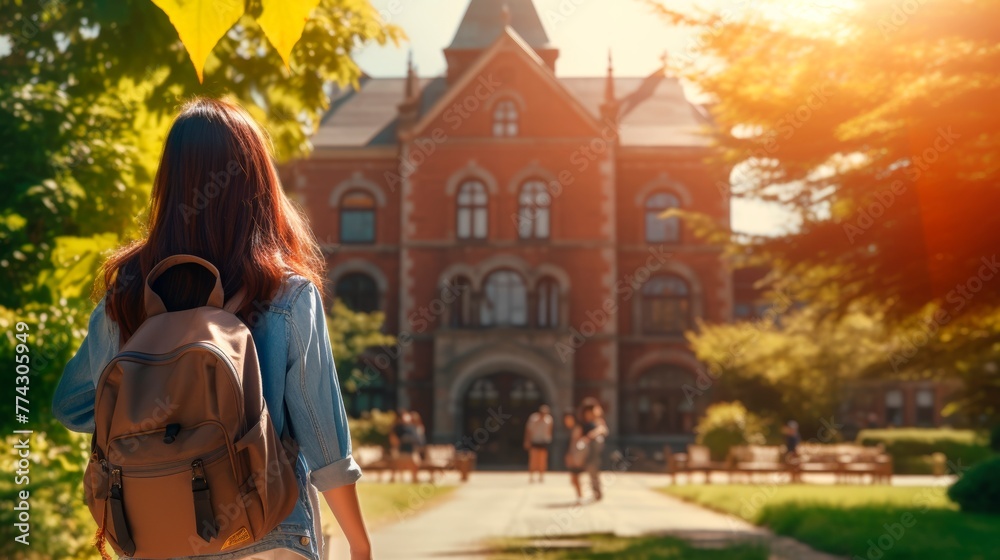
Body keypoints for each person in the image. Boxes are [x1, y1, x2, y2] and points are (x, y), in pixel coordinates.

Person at [51, 99, 372, 560]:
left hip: (151, 536)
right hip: (265, 533)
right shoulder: (285, 293)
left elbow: (71, 407)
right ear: (258, 182)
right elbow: (324, 442)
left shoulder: (126, 294)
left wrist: (160, 425)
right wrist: (360, 545)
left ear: (170, 182)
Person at [578, 398, 608, 502]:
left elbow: (603, 429)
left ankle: (597, 490)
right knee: (590, 471)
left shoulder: (598, 421)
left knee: (593, 471)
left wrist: (592, 435)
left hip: (595, 451)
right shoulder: (583, 423)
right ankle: (594, 490)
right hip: (586, 451)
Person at [524, 404, 554, 483]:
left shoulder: (549, 420)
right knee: (533, 459)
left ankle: (541, 476)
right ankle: (531, 476)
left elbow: (550, 430)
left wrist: (549, 439)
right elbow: (528, 430)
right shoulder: (534, 418)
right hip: (535, 441)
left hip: (544, 441)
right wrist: (527, 441)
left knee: (542, 460)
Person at [389, 411, 421, 483]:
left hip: (411, 451)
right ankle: (396, 480)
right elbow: (393, 440)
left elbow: (417, 440)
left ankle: (414, 480)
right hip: (400, 452)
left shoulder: (413, 428)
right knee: (398, 466)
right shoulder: (397, 428)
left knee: (415, 465)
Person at [562, 411, 585, 502]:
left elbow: (575, 444)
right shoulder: (571, 429)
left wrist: (571, 455)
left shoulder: (577, 429)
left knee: (576, 477)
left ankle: (580, 496)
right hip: (574, 456)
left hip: (577, 456)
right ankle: (580, 495)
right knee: (573, 478)